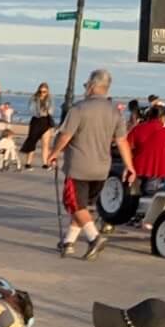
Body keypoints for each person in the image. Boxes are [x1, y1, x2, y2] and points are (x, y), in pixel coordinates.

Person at [49, 68, 134, 260]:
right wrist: (130, 166)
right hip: (101, 169)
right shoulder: (115, 112)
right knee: (83, 207)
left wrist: (53, 154)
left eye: (87, 84)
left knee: (74, 204)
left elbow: (66, 135)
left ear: (93, 86)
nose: (85, 88)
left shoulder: (79, 108)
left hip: (79, 166)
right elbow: (122, 141)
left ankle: (94, 238)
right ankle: (68, 242)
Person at [126, 100, 165, 198]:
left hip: (138, 166)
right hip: (156, 168)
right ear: (162, 117)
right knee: (150, 194)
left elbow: (127, 144)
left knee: (135, 195)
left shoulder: (138, 128)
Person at [20, 83, 54, 169]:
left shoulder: (50, 99)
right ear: (38, 90)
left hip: (46, 121)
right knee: (32, 141)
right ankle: (28, 163)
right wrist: (40, 112)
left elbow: (51, 110)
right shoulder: (34, 98)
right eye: (41, 91)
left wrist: (47, 110)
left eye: (44, 92)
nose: (42, 93)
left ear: (47, 92)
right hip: (36, 121)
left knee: (45, 144)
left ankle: (45, 163)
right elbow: (32, 110)